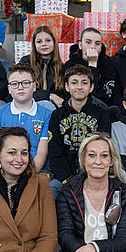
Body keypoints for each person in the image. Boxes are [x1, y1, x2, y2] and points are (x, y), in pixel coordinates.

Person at [46, 64, 112, 195]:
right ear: (67, 86)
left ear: (91, 87)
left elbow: (104, 150)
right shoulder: (57, 115)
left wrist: (88, 177)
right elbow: (55, 151)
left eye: (84, 83)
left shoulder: (102, 114)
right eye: (74, 83)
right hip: (64, 176)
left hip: (93, 174)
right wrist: (68, 179)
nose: (79, 87)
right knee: (50, 191)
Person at [0, 64, 53, 173]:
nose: (20, 87)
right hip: (4, 172)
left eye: (26, 83)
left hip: (35, 171)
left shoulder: (47, 114)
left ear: (34, 86)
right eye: (14, 84)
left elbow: (42, 152)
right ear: (9, 89)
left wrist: (28, 175)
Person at [64, 27, 116, 106]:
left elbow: (103, 96)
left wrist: (93, 64)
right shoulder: (70, 64)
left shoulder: (108, 64)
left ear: (101, 47)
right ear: (80, 45)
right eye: (88, 42)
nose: (93, 47)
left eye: (97, 44)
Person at [19, 25, 64, 110]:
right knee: (46, 105)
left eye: (48, 40)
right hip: (28, 104)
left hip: (54, 107)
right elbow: (23, 90)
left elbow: (61, 95)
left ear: (54, 42)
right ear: (34, 45)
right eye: (39, 41)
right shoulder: (25, 62)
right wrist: (49, 95)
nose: (44, 44)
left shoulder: (61, 66)